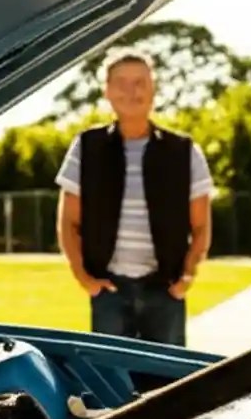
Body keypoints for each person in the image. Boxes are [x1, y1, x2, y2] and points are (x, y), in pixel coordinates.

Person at [55, 47, 213, 348]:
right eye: (122, 82)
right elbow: (67, 222)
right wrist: (84, 279)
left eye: (140, 81)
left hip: (165, 290)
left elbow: (202, 226)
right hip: (109, 291)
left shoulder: (184, 151)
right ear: (107, 91)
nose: (132, 91)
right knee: (112, 386)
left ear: (153, 89)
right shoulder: (86, 147)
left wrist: (187, 277)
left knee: (169, 385)